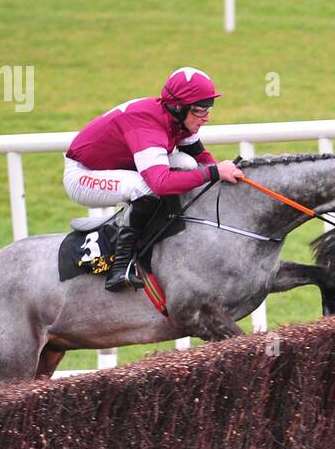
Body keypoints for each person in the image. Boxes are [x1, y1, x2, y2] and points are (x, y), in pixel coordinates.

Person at [64, 67, 244, 291]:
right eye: (200, 110)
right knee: (145, 187)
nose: (207, 117)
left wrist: (227, 173)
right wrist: (215, 172)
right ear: (178, 107)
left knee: (187, 165)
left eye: (208, 109)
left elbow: (201, 158)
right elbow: (160, 183)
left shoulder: (178, 118)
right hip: (83, 175)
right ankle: (120, 266)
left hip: (120, 167)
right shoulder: (147, 125)